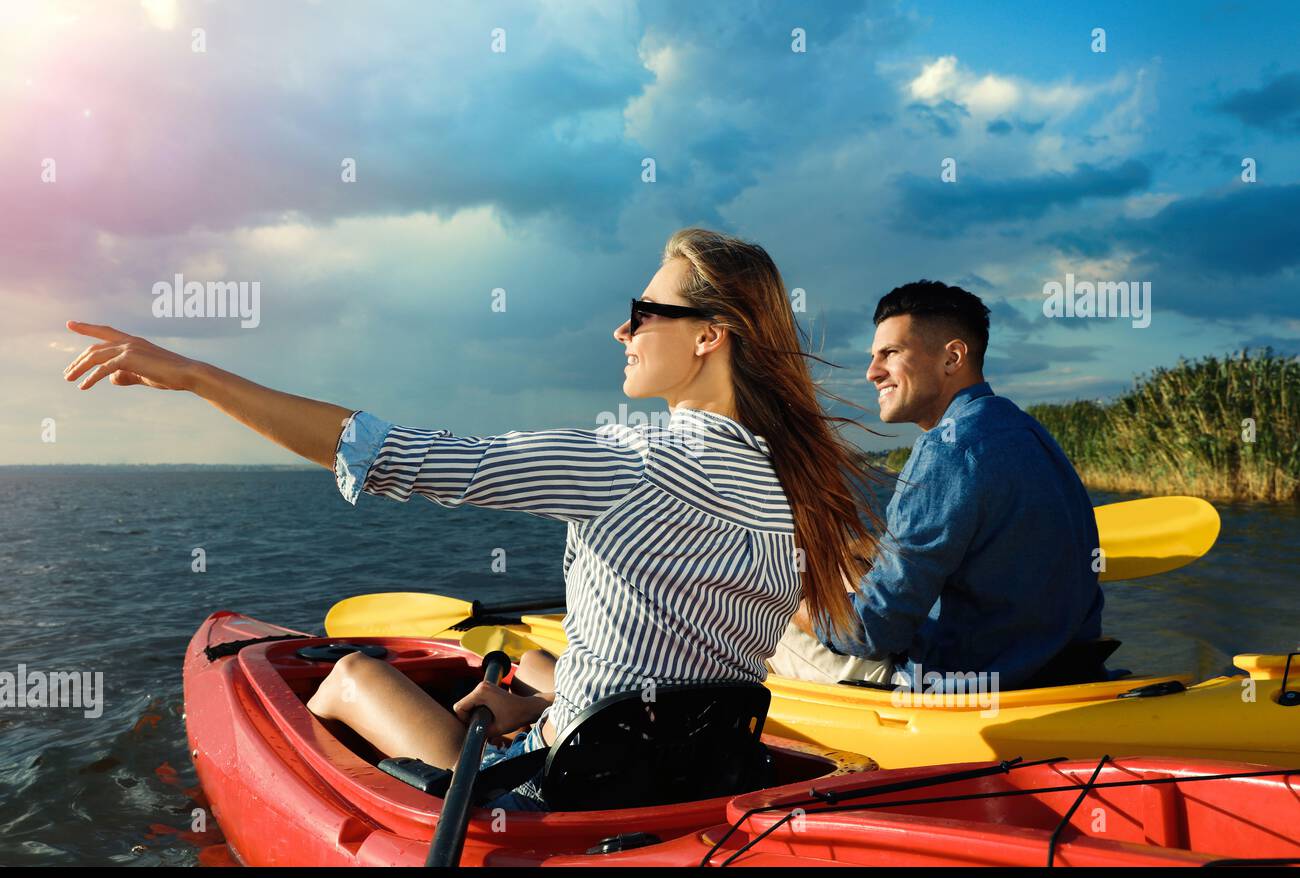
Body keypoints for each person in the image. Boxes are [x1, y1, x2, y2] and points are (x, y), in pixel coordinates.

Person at [61, 228, 883, 810]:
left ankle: (294, 810)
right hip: (682, 775)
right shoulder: (781, 485)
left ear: (710, 336)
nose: (622, 329)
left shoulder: (631, 458)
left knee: (350, 678)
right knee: (527, 670)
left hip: (564, 790)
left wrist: (199, 375)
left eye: (645, 311)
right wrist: (548, 693)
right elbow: (677, 662)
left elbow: (398, 456)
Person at [767, 280, 1105, 692]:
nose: (873, 372)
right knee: (848, 568)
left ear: (952, 357)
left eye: (890, 353)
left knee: (766, 624)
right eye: (874, 356)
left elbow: (872, 633)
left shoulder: (946, 451)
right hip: (1055, 671)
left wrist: (791, 603)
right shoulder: (1026, 431)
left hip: (963, 685)